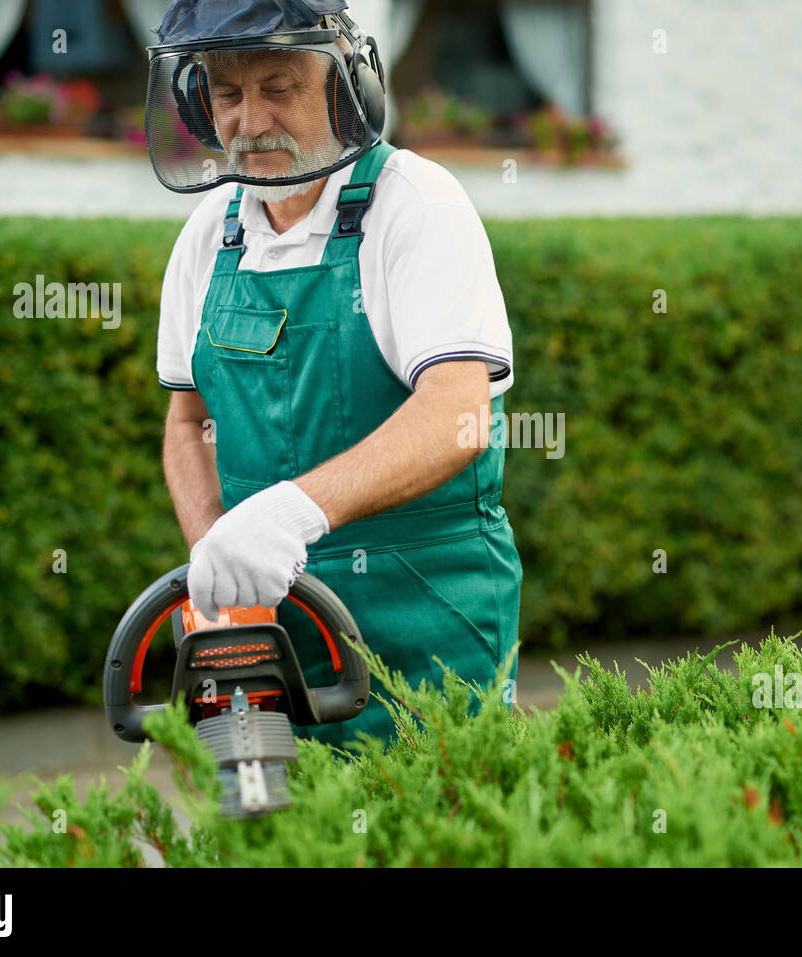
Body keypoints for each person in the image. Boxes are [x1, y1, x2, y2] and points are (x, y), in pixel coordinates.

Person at [147, 0, 522, 749]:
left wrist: (288, 515)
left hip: (426, 632)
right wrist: (220, 559)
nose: (249, 121)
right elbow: (187, 424)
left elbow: (458, 413)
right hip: (269, 647)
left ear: (347, 84)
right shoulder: (208, 237)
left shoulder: (414, 205)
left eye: (278, 86)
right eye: (225, 93)